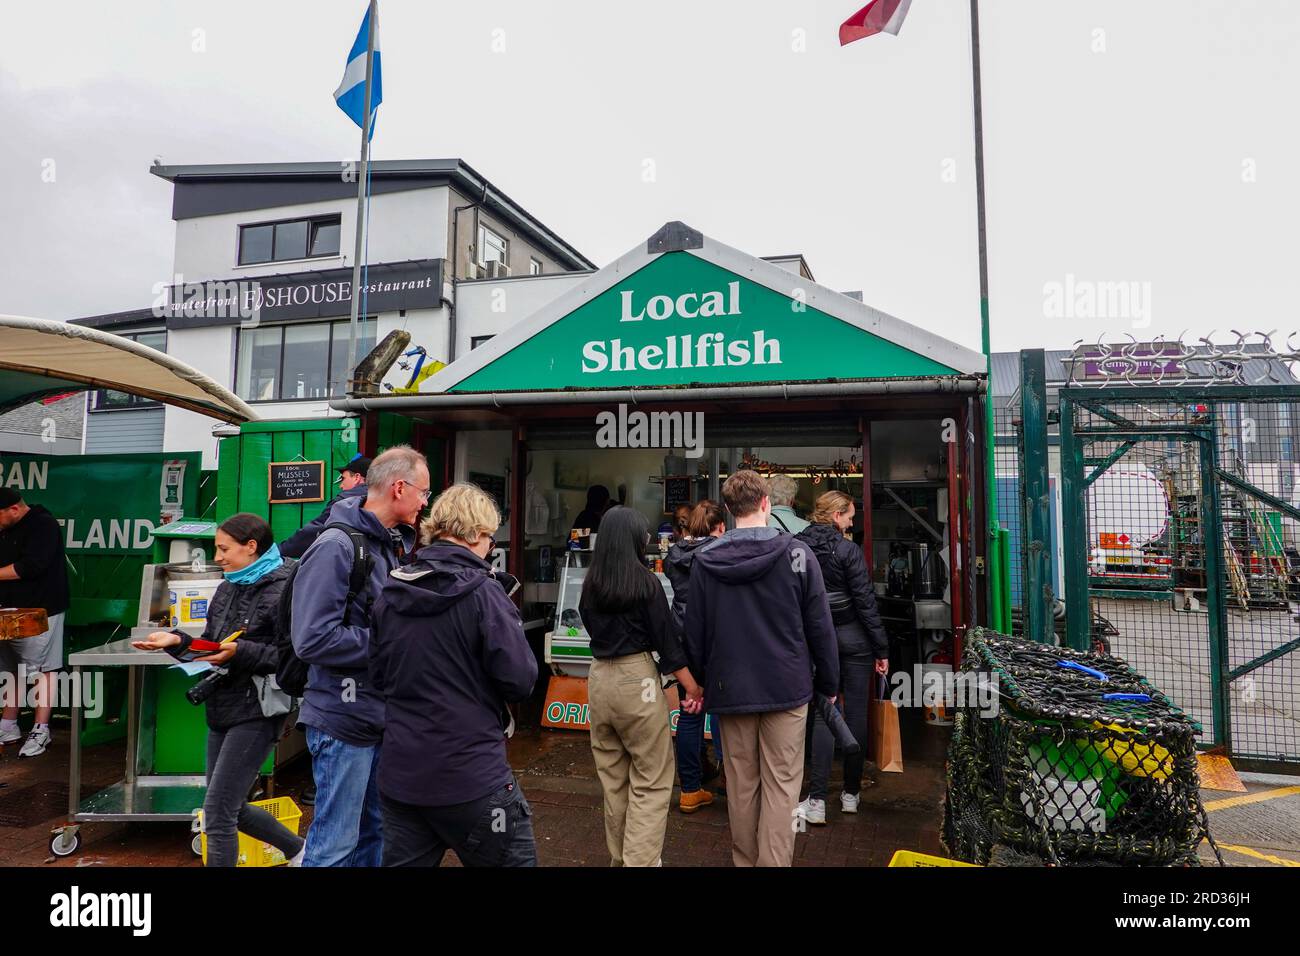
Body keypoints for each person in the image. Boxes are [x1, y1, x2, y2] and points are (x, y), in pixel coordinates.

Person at [370, 483, 539, 866]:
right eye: (490, 538)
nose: (490, 548)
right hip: (472, 776)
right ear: (477, 534)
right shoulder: (486, 594)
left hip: (402, 778)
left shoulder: (391, 592)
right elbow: (520, 680)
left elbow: (378, 676)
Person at [131, 513, 305, 867]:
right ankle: (300, 849)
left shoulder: (288, 587)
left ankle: (300, 850)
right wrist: (175, 641)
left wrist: (241, 651)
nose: (218, 557)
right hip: (221, 704)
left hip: (258, 709)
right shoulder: (227, 586)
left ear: (251, 547)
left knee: (217, 812)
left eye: (224, 549)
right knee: (230, 807)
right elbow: (212, 646)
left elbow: (294, 656)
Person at [684, 469, 838, 867]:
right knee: (783, 787)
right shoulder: (798, 556)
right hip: (787, 687)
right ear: (766, 504)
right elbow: (820, 626)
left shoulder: (705, 561)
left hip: (729, 688)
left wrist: (697, 685)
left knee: (740, 785)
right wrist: (831, 681)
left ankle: (744, 861)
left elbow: (695, 632)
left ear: (731, 511)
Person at [291, 445, 427, 867]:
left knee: (376, 836)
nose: (426, 501)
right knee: (334, 847)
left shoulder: (390, 545)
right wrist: (391, 643)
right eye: (423, 491)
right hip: (342, 719)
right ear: (399, 487)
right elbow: (311, 639)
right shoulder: (336, 546)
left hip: (375, 715)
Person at [579, 506, 703, 867]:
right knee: (651, 780)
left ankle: (621, 859)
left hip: (599, 678)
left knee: (613, 782)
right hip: (638, 680)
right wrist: (692, 689)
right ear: (632, 539)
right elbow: (668, 645)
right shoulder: (645, 583)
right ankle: (641, 862)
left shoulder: (591, 583)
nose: (648, 539)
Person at [795, 491, 890, 824]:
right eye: (849, 516)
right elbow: (866, 603)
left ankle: (817, 799)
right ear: (836, 515)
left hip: (818, 642)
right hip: (855, 641)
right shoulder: (848, 550)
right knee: (856, 717)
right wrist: (881, 650)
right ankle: (851, 794)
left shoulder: (796, 548)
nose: (852, 522)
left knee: (825, 712)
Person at [664, 499, 727, 813]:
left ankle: (690, 789)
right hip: (715, 640)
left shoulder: (673, 555)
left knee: (690, 712)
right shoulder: (717, 555)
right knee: (725, 712)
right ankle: (729, 777)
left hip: (683, 638)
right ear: (718, 527)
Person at [0, 488, 70, 759]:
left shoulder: (44, 524)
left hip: (42, 608)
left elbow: (32, 566)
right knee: (9, 666)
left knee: (44, 668)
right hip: (8, 608)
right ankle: (8, 724)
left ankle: (41, 728)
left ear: (14, 509)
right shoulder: (6, 529)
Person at [279, 455, 372, 559]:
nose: (341, 485)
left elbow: (314, 532)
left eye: (343, 479)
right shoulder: (382, 501)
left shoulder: (343, 504)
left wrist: (281, 550)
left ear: (357, 478)